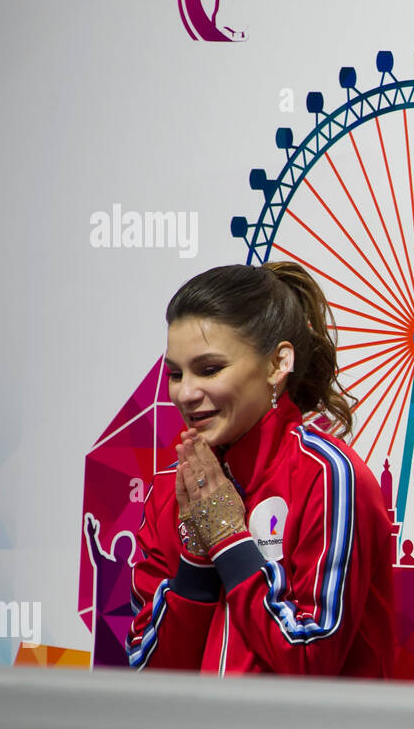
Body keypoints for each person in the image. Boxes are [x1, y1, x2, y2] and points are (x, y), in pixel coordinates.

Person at [126, 261, 395, 677]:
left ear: (276, 364)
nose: (186, 393)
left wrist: (229, 541)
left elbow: (310, 658)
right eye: (176, 374)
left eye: (210, 369)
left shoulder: (330, 476)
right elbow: (150, 673)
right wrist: (197, 563)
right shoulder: (171, 488)